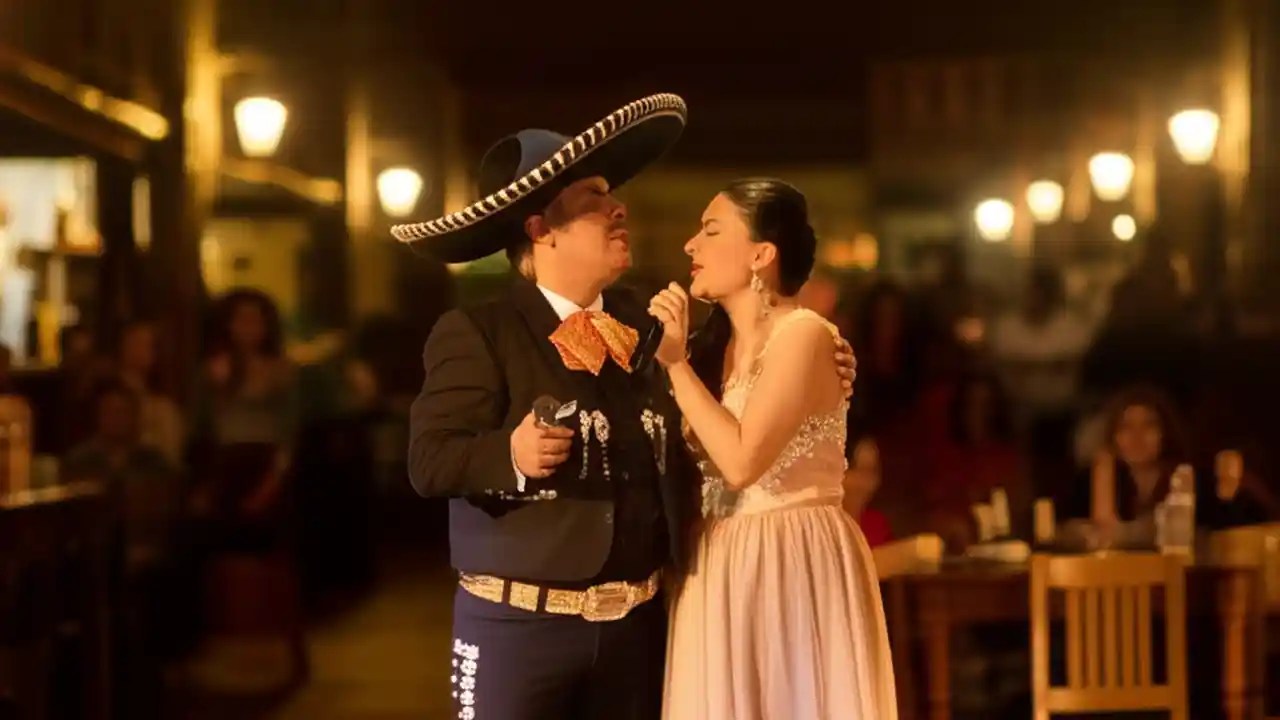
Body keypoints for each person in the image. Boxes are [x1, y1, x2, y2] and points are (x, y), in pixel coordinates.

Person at [396, 95, 859, 719]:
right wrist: (511, 455)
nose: (619, 208)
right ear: (540, 230)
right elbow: (429, 460)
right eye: (593, 198)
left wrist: (823, 360)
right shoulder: (479, 331)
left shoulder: (651, 324)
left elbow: (748, 386)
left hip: (640, 628)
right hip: (518, 627)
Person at [653, 178, 896, 719]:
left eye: (711, 230)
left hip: (788, 556)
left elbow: (741, 462)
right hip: (717, 559)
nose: (691, 244)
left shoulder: (805, 334)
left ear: (761, 255)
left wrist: (675, 366)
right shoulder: (710, 348)